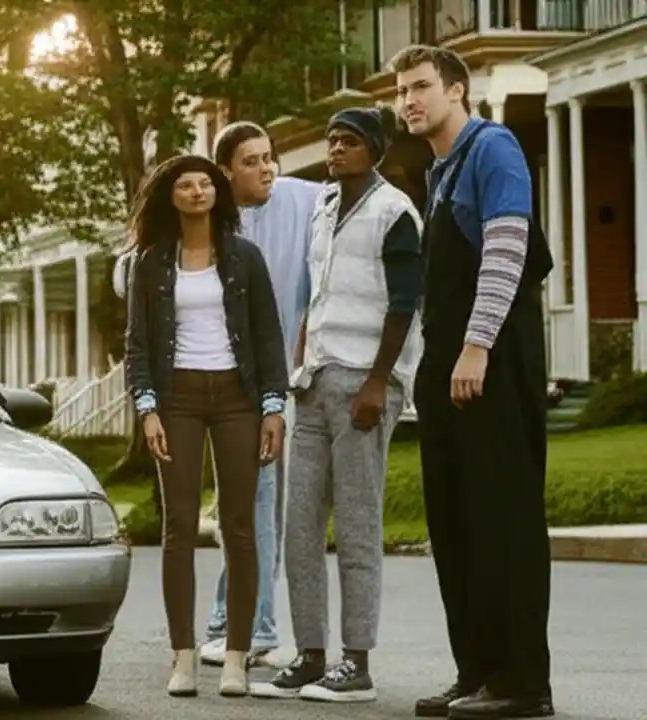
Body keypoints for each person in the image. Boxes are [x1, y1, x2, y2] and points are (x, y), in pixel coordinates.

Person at [392, 45, 555, 719]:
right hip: (447, 367)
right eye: (402, 91)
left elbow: (508, 248)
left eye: (422, 86)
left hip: (487, 360)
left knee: (502, 520)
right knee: (456, 524)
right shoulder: (438, 170)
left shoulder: (495, 148)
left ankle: (522, 684)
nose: (409, 100)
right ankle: (477, 673)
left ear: (457, 90)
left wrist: (477, 345)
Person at [250, 105, 424, 704]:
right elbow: (315, 294)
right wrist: (299, 364)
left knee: (355, 525)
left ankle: (357, 662)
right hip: (316, 380)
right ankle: (310, 654)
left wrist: (380, 382)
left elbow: (404, 305)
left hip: (365, 384)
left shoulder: (394, 212)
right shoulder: (325, 208)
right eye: (331, 140)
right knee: (300, 526)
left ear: (374, 151)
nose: (335, 149)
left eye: (349, 141)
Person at [124, 153, 289, 698]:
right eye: (186, 185)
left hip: (238, 398)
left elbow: (268, 336)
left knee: (239, 526)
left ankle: (238, 655)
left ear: (217, 193)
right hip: (178, 400)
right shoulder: (150, 263)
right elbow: (138, 346)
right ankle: (184, 658)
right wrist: (147, 408)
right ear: (171, 197)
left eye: (205, 184)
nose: (197, 192)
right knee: (179, 527)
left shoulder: (245, 257)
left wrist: (273, 407)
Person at [200, 121, 322, 669]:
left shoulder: (303, 199)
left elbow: (362, 201)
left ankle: (253, 626)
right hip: (215, 381)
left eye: (269, 156)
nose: (266, 167)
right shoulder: (206, 217)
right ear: (227, 170)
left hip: (275, 383)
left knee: (255, 503)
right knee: (246, 505)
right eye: (251, 160)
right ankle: (236, 619)